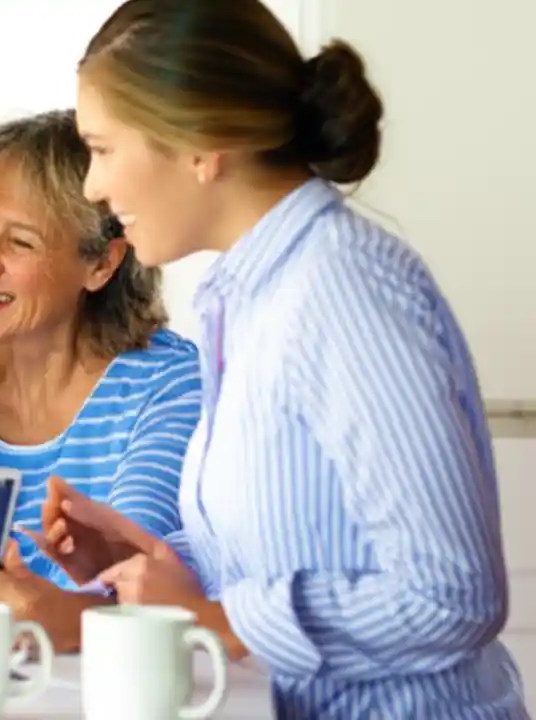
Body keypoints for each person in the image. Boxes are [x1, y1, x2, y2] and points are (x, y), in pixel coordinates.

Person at [31, 0, 529, 716]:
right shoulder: (248, 295)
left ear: (201, 143)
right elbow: (298, 549)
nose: (92, 187)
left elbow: (452, 596)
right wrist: (153, 567)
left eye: (103, 149)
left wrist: (220, 621)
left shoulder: (344, 291)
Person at [0, 109, 202, 652]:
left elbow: (138, 574)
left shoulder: (165, 382)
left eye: (20, 242)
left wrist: (59, 615)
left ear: (101, 265)